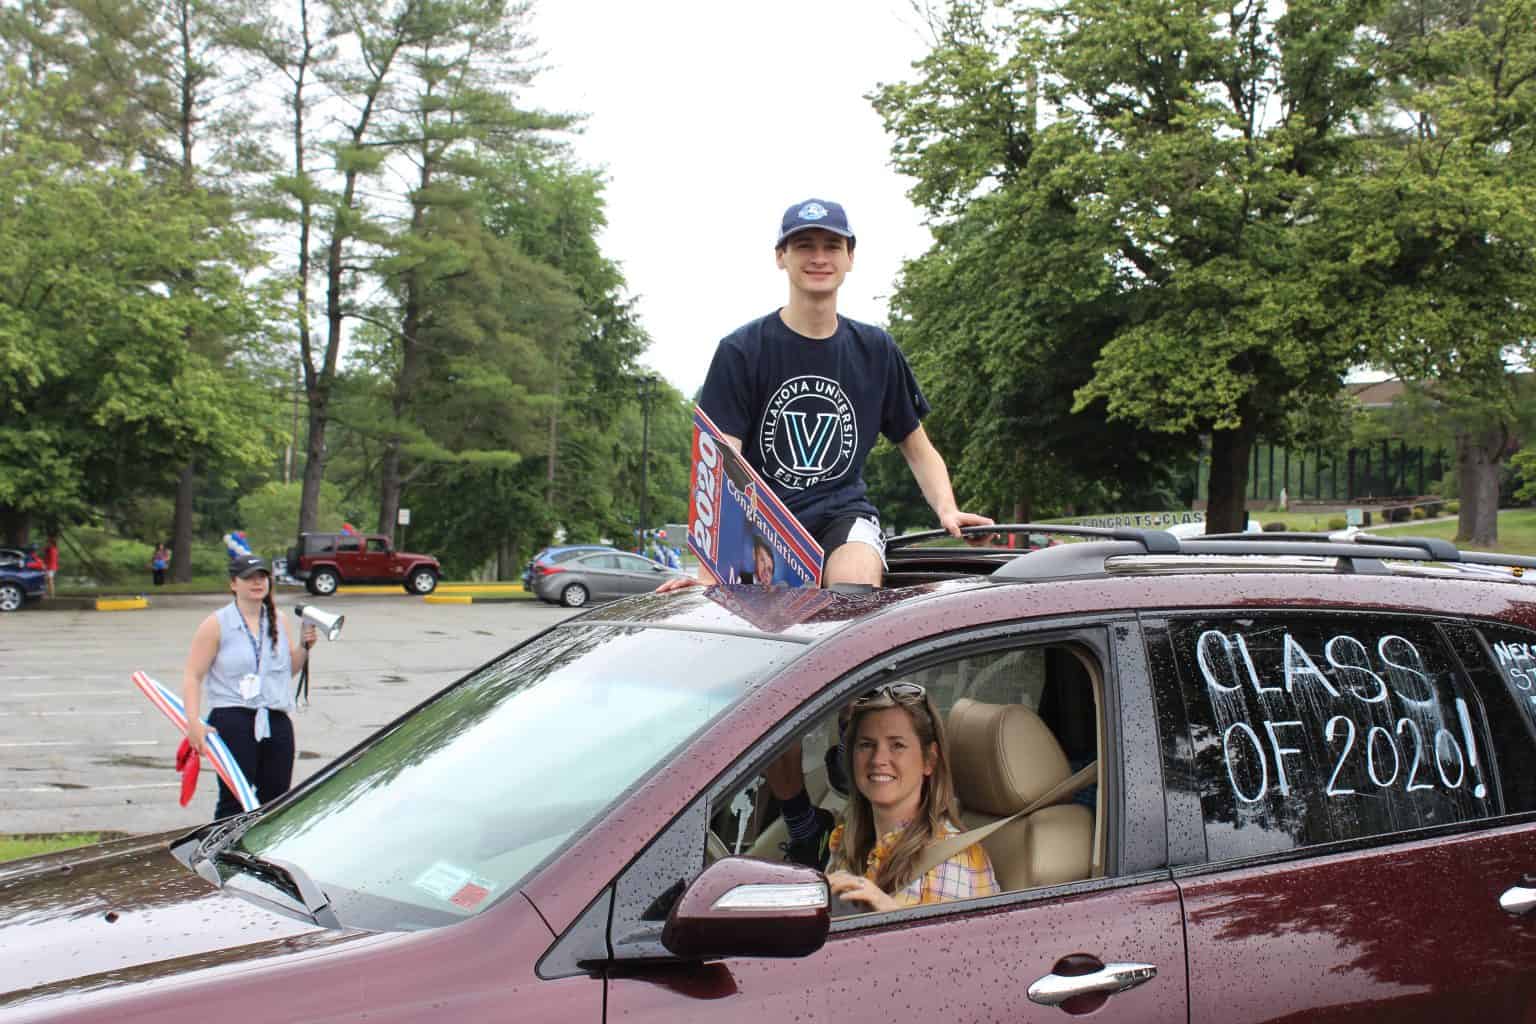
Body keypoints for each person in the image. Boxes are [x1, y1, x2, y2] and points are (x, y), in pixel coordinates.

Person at [662, 198, 992, 595]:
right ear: (780, 257)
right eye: (804, 246)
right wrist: (711, 565)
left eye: (832, 246)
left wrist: (948, 510)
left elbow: (918, 449)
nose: (819, 257)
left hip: (844, 515)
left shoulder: (876, 349)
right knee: (762, 617)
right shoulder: (742, 350)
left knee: (854, 587)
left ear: (850, 257)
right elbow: (719, 465)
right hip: (764, 525)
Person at [819, 682, 998, 912]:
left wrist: (888, 911)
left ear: (929, 760)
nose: (878, 759)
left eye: (897, 745)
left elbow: (946, 937)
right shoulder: (849, 842)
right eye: (866, 744)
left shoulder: (949, 860)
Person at [181, 554, 316, 819]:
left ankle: (264, 846)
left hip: (275, 719)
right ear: (234, 584)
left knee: (276, 801)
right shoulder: (217, 623)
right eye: (249, 578)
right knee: (235, 800)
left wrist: (303, 647)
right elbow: (192, 675)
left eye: (262, 577)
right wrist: (193, 722)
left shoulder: (279, 620)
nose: (257, 583)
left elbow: (287, 670)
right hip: (233, 718)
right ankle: (223, 845)